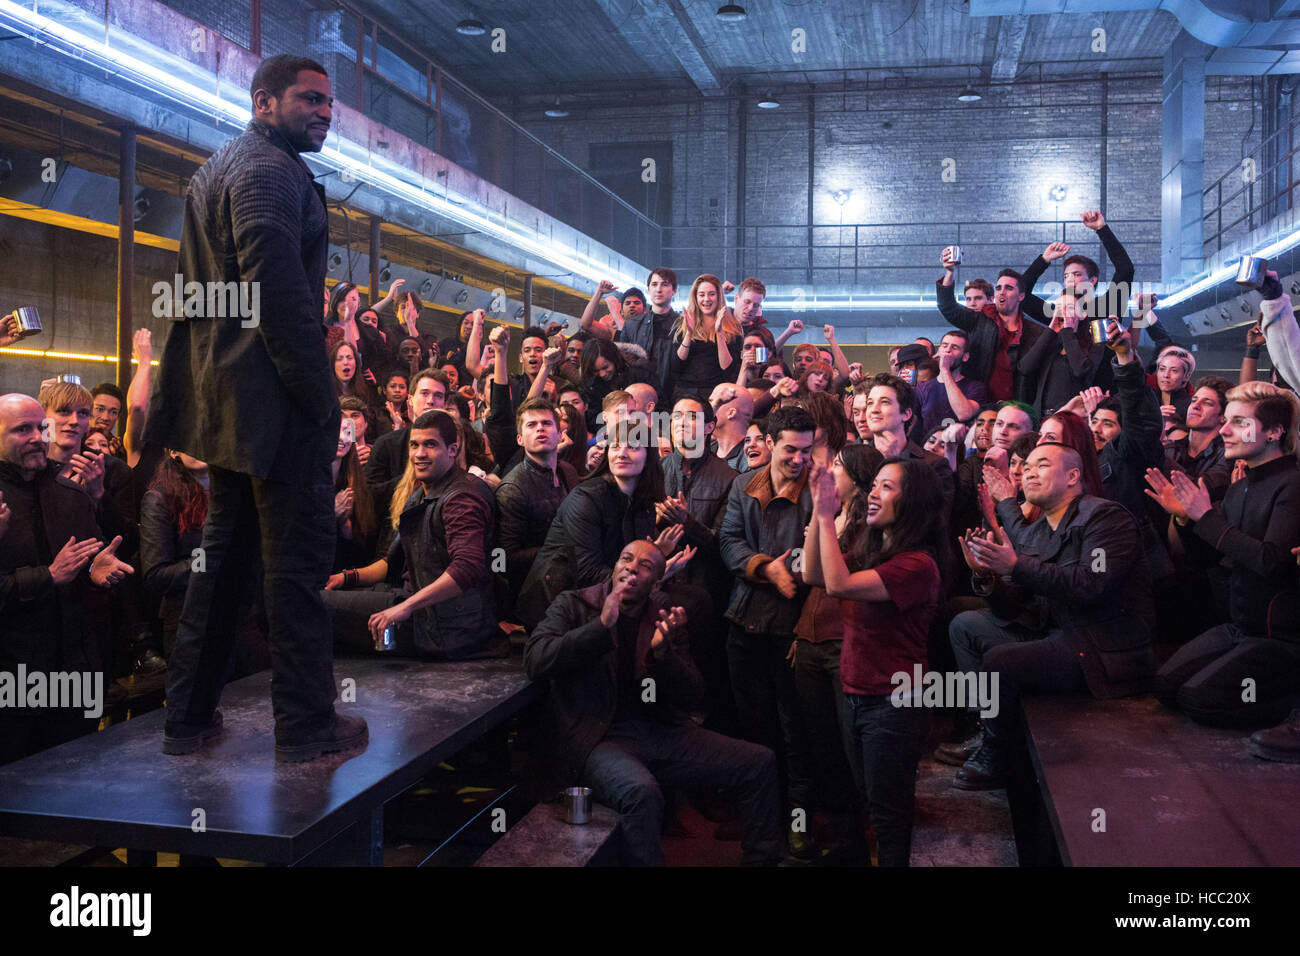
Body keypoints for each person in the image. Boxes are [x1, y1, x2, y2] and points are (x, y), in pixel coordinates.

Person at [145, 53, 367, 761]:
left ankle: (187, 719)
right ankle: (307, 728)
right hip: (275, 408)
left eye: (330, 104)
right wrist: (321, 398)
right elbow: (278, 295)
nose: (325, 113)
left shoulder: (220, 166)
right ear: (265, 101)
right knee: (296, 574)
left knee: (224, 566)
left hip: (231, 410)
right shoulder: (272, 172)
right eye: (310, 100)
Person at [524, 539, 783, 866]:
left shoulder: (665, 614)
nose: (632, 567)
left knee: (759, 762)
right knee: (640, 792)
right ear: (616, 566)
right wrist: (600, 628)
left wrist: (664, 656)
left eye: (645, 565)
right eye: (626, 559)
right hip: (598, 738)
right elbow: (536, 661)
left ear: (656, 580)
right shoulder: (575, 604)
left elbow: (693, 694)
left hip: (661, 731)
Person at [949, 443, 1154, 790]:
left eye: (1041, 465)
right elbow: (1017, 603)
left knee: (1001, 661)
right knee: (964, 626)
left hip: (1100, 646)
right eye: (1026, 466)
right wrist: (988, 576)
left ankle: (998, 752)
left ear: (1073, 476)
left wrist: (1015, 566)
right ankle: (987, 729)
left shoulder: (1105, 517)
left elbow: (1094, 582)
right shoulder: (1041, 528)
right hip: (1057, 633)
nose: (1028, 471)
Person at [806, 456, 947, 866]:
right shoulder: (876, 552)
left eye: (887, 486)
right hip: (858, 694)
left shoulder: (917, 565)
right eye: (875, 484)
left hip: (894, 704)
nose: (873, 492)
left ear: (913, 502)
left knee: (888, 816)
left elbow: (837, 584)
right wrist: (820, 513)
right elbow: (814, 574)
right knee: (872, 802)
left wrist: (826, 515)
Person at [1147, 382, 1300, 728]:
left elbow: (1271, 563)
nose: (1225, 431)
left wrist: (1206, 517)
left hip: (1281, 639)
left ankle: (1291, 706)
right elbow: (1212, 561)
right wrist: (1185, 519)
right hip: (1239, 628)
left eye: (1239, 423)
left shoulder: (1292, 484)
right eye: (1226, 421)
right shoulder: (1242, 484)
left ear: (1274, 432)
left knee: (1199, 700)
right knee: (1165, 686)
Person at [1, 394, 134, 765]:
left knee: (73, 775)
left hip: (74, 668)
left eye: (40, 427)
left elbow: (91, 569)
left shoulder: (70, 494)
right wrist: (48, 577)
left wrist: (95, 575)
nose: (37, 437)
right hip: (12, 674)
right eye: (21, 429)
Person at [325, 410, 506, 660]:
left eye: (430, 445)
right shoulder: (422, 493)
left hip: (444, 626)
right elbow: (391, 563)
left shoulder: (463, 496)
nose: (419, 453)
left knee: (310, 604)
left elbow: (467, 568)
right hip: (421, 609)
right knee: (316, 595)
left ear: (453, 450)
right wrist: (344, 578)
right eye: (414, 445)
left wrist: (404, 608)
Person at [518, 425, 673, 629]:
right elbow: (588, 572)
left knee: (690, 600)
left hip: (603, 594)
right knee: (666, 604)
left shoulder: (644, 504)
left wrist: (657, 561)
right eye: (615, 446)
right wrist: (648, 580)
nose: (622, 454)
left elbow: (626, 562)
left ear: (649, 458)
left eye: (633, 447)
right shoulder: (587, 498)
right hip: (559, 603)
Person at [495, 398, 581, 609]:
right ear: (520, 439)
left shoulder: (568, 471)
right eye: (531, 425)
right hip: (533, 596)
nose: (540, 429)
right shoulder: (512, 489)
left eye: (547, 423)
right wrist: (562, 547)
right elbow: (502, 559)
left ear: (560, 434)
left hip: (570, 584)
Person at [672, 274, 741, 404]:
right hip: (685, 393)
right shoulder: (682, 323)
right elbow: (677, 365)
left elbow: (728, 370)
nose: (706, 299)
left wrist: (719, 332)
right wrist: (689, 333)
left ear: (719, 296)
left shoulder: (733, 327)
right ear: (695, 297)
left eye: (711, 294)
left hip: (716, 394)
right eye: (702, 294)